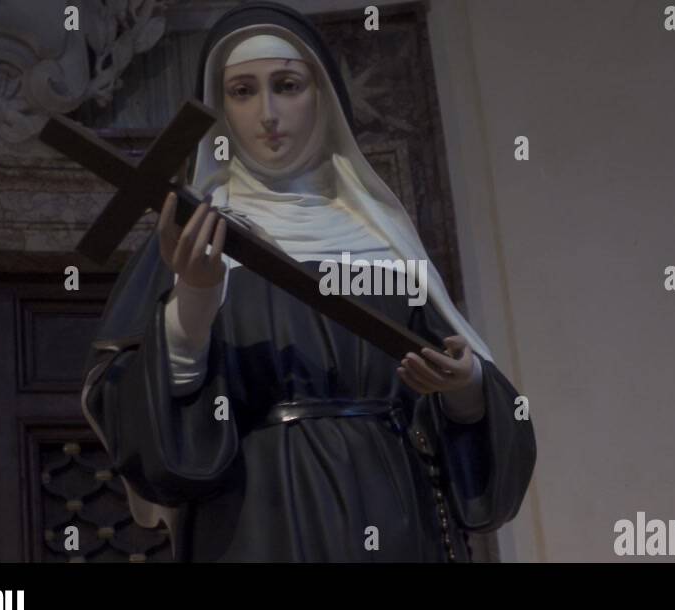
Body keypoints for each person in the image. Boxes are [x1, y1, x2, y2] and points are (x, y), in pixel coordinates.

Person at [81, 1, 535, 562]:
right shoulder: (195, 235)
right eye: (243, 91)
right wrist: (193, 303)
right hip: (255, 517)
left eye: (287, 86)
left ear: (321, 98)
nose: (267, 112)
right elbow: (126, 407)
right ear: (221, 109)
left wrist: (465, 389)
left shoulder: (383, 237)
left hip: (393, 509)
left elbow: (483, 419)